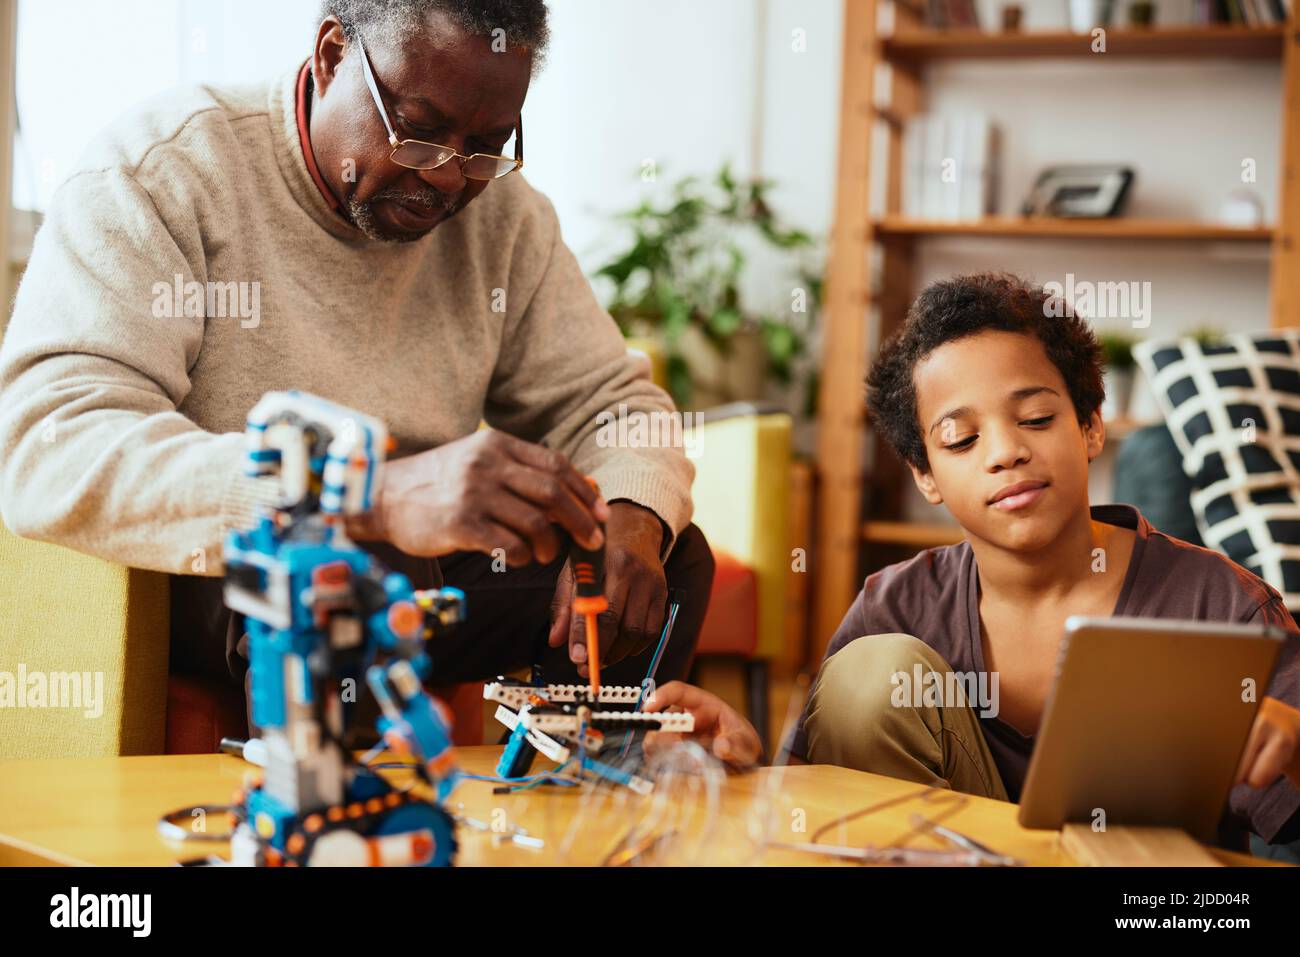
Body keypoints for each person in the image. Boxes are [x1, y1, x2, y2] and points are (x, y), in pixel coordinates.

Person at [0, 0, 714, 719]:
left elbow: (613, 405)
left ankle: (574, 797)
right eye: (422, 132)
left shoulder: (503, 218)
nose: (447, 178)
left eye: (486, 145)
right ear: (333, 54)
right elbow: (48, 446)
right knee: (344, 563)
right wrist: (369, 494)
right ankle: (335, 826)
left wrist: (632, 513)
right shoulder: (166, 171)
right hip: (223, 572)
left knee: (663, 561)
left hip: (415, 572)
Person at [645, 272, 1300, 848]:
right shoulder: (895, 606)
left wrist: (1291, 742)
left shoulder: (1219, 601)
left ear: (1091, 426)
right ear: (926, 475)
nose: (1005, 452)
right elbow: (811, 815)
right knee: (874, 673)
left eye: (1038, 418)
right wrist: (735, 770)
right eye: (961, 438)